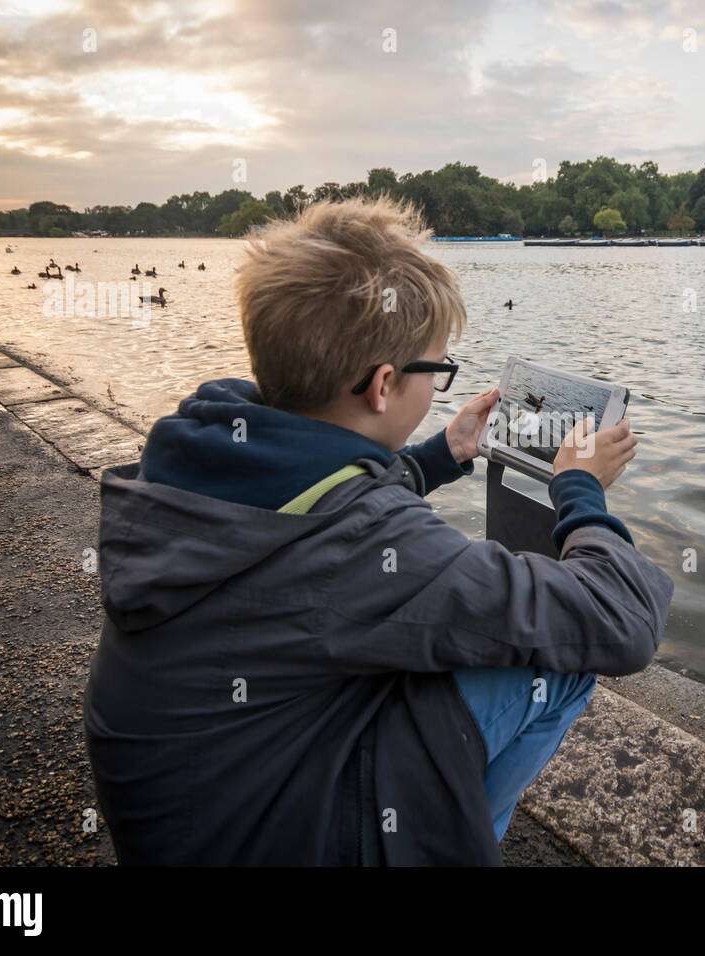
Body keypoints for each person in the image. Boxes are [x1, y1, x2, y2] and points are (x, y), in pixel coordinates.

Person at [83, 194, 674, 865]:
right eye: (439, 370)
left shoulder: (201, 444)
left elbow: (314, 514)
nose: (441, 386)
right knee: (555, 662)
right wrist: (580, 487)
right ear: (384, 385)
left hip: (191, 813)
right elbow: (618, 621)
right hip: (266, 836)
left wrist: (438, 455)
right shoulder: (367, 542)